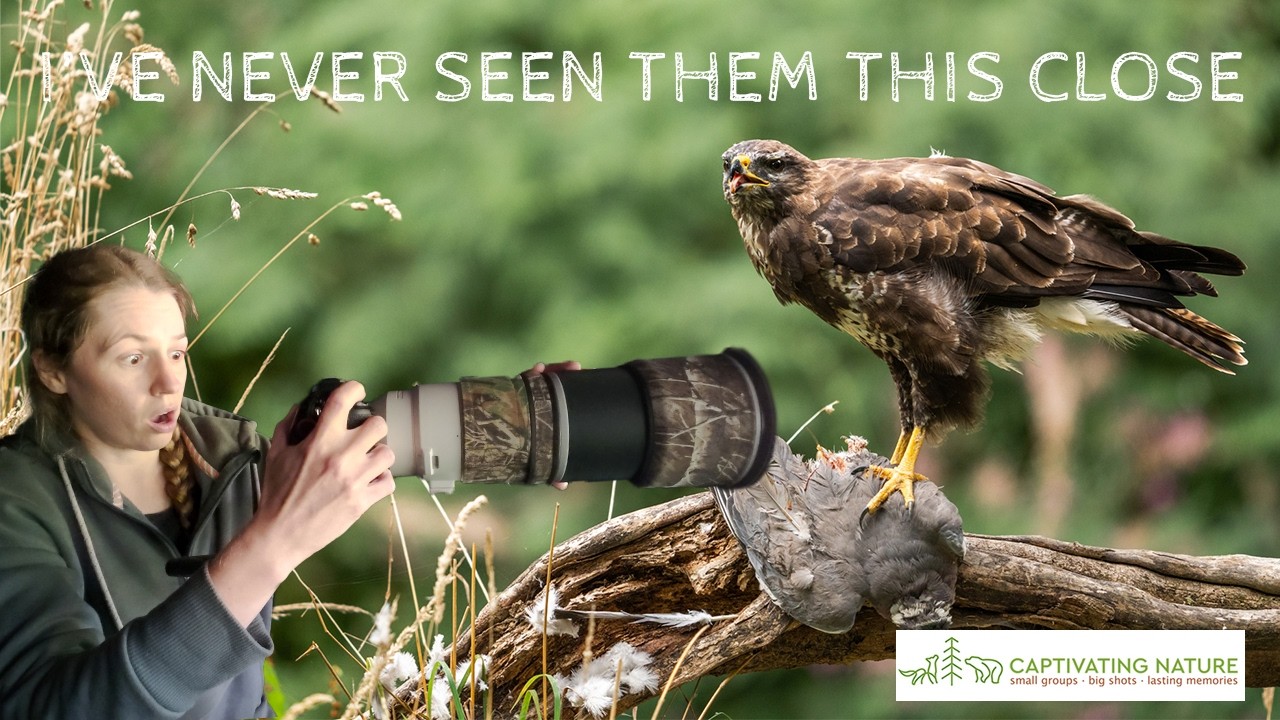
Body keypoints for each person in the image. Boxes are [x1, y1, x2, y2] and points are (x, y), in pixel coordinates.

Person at [0, 243, 397, 719]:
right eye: (132, 358)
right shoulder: (15, 498)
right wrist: (275, 541)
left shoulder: (232, 457)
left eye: (176, 352)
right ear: (52, 370)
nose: (168, 382)